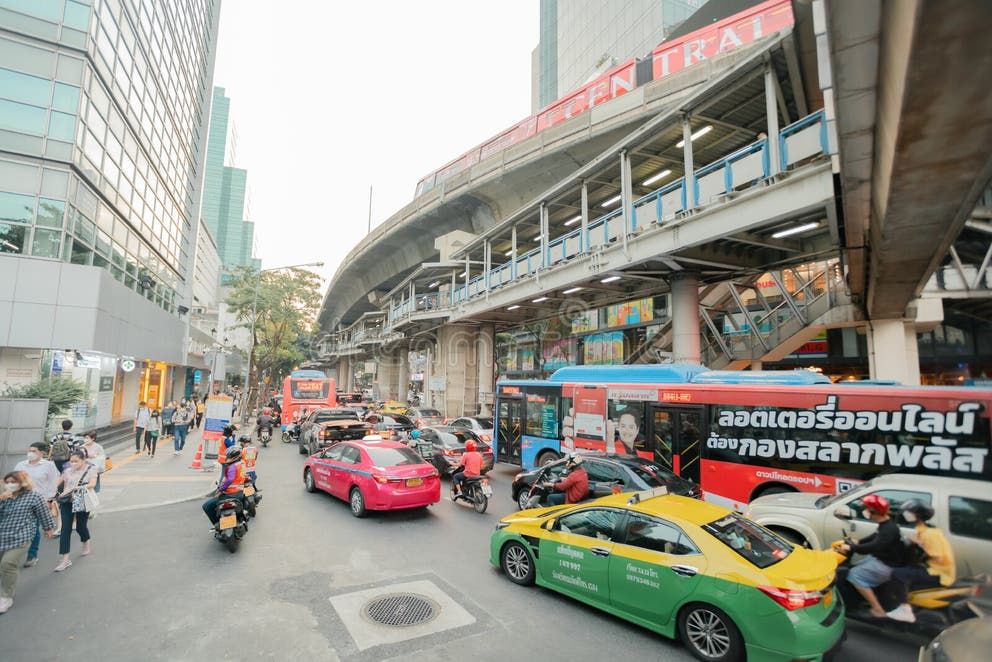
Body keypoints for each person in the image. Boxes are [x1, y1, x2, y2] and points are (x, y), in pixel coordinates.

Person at [886, 499, 956, 623]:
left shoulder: (930, 533)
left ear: (918, 515)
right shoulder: (923, 529)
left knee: (897, 573)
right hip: (932, 568)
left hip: (939, 573)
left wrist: (918, 544)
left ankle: (905, 609)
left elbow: (938, 557)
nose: (906, 514)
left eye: (910, 512)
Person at [839, 494, 906, 618]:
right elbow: (874, 537)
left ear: (873, 511)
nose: (865, 511)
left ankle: (877, 609)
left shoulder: (888, 530)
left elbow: (874, 546)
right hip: (883, 560)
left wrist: (851, 547)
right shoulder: (886, 524)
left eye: (867, 508)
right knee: (855, 566)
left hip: (887, 565)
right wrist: (858, 541)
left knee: (854, 575)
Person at [0, 471, 56, 613]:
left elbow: (43, 512)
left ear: (22, 482)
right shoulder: (4, 496)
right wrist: (1, 499)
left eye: (13, 481)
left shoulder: (34, 496)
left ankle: (6, 596)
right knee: (3, 567)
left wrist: (48, 528)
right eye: (7, 482)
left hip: (21, 537)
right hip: (2, 535)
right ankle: (5, 586)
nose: (10, 485)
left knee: (8, 563)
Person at [14, 442, 60, 566]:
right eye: (29, 450)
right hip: (20, 500)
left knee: (34, 528)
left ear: (41, 452)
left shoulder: (49, 465)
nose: (30, 453)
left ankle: (32, 555)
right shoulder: (21, 465)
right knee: (16, 526)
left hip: (39, 501)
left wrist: (49, 500)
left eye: (34, 451)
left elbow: (52, 484)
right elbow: (14, 481)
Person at [53, 450, 97, 572]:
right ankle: (65, 559)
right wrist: (54, 493)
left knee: (80, 527)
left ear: (83, 460)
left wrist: (77, 487)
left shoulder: (91, 469)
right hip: (67, 501)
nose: (73, 464)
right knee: (65, 529)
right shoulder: (67, 471)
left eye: (76, 461)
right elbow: (59, 482)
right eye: (71, 461)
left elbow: (92, 484)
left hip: (81, 500)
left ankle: (85, 540)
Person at [202, 447, 247, 526]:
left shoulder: (232, 467)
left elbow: (230, 480)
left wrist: (220, 489)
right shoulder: (242, 463)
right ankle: (240, 519)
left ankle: (217, 524)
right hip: (240, 493)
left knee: (206, 506)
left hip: (229, 494)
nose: (227, 458)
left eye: (228, 456)